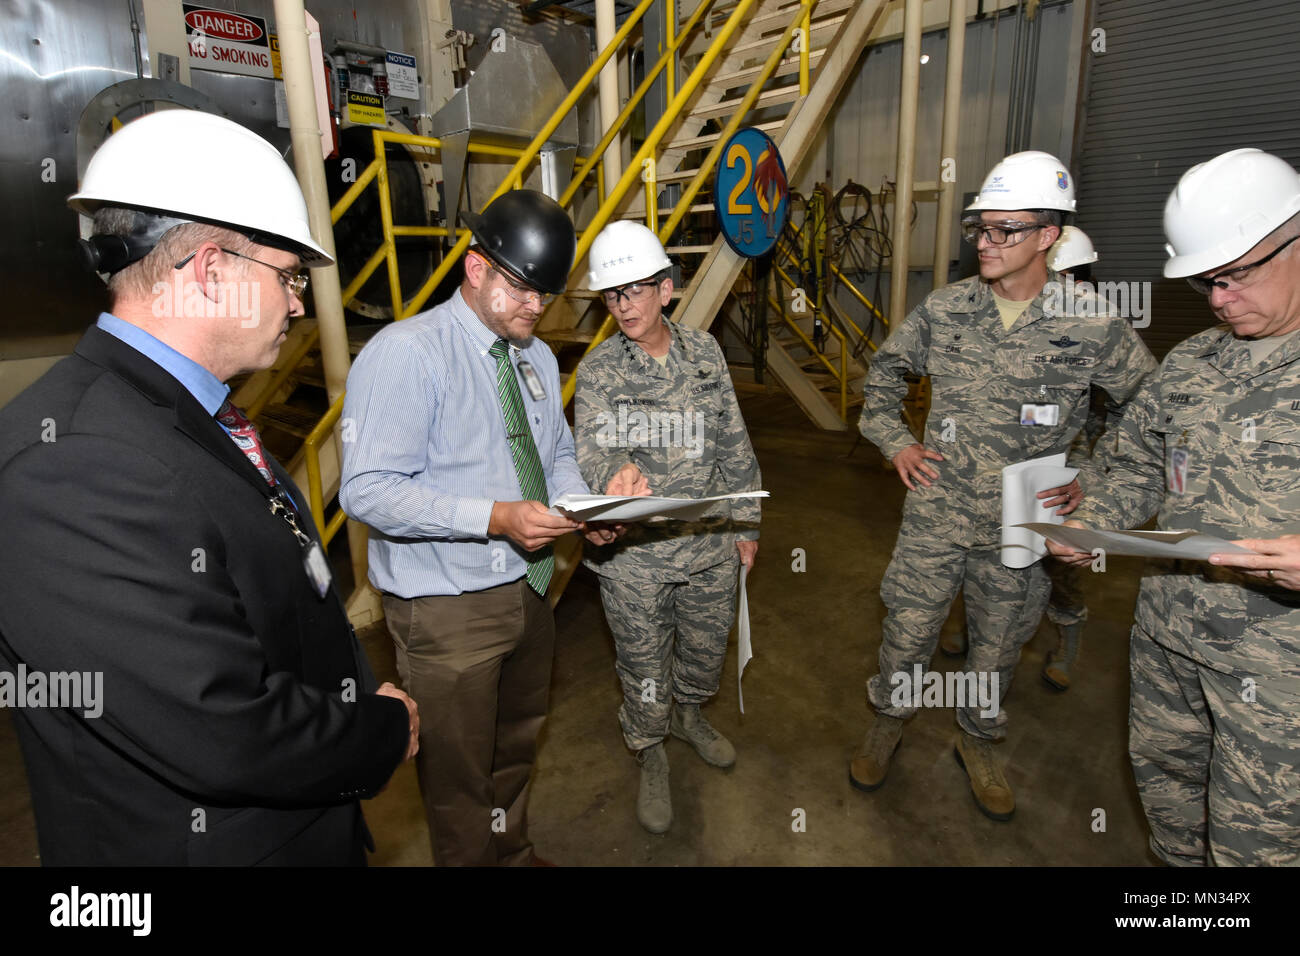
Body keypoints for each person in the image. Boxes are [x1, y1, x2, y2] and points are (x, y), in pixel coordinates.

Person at [0, 109, 417, 866]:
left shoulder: (195, 412)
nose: (297, 302)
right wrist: (379, 734)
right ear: (212, 270)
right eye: (288, 275)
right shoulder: (72, 463)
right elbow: (219, 726)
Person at [850, 151, 1156, 821]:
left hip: (1023, 520)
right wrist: (897, 440)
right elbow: (883, 375)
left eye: (1004, 231)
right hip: (936, 510)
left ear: (1049, 234)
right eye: (979, 230)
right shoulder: (947, 309)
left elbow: (1150, 415)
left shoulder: (1092, 322)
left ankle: (977, 741)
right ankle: (888, 723)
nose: (985, 243)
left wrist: (1092, 486)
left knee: (996, 648)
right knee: (907, 633)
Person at [339, 189, 620, 866]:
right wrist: (495, 518)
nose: (534, 308)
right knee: (459, 775)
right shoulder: (408, 353)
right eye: (522, 289)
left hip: (530, 589)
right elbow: (368, 491)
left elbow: (552, 454)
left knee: (517, 743)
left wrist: (584, 510)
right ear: (475, 268)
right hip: (447, 608)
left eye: (546, 295)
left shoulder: (537, 358)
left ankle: (513, 855)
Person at [1051, 148, 1300, 865]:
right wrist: (1091, 517)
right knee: (1170, 818)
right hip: (1168, 642)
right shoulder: (1192, 361)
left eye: (1236, 275)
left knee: (1256, 852)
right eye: (1206, 283)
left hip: (1279, 675)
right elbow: (1138, 464)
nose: (1220, 299)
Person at [573, 221, 762, 834]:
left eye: (635, 290)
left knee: (705, 651)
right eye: (612, 295)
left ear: (666, 289)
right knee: (642, 662)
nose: (623, 306)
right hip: (636, 559)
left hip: (707, 542)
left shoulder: (705, 351)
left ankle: (689, 715)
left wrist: (748, 523)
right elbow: (589, 446)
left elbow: (734, 439)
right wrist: (613, 470)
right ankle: (650, 747)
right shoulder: (601, 370)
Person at [942, 225, 1116, 691]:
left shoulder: (1097, 327)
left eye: (1075, 276)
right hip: (1022, 463)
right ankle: (979, 624)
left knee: (1061, 566)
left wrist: (1094, 478)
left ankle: (1066, 635)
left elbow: (1127, 416)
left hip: (1075, 462)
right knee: (996, 550)